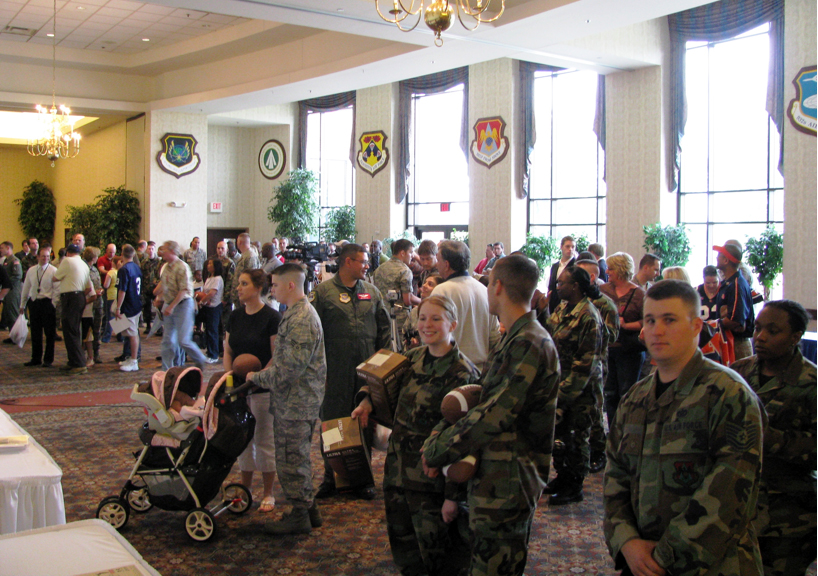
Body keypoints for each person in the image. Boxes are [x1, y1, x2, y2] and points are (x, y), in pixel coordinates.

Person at [604, 280, 765, 576]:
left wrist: (662, 557)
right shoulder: (635, 399)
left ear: (695, 326)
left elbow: (729, 494)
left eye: (669, 320)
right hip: (640, 560)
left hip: (710, 564)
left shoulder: (728, 395)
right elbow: (615, 477)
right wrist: (626, 541)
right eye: (650, 320)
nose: (657, 330)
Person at [422, 255, 560, 576]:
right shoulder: (515, 337)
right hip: (497, 477)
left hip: (510, 483)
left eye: (488, 283)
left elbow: (494, 413)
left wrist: (438, 448)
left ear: (497, 286)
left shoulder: (529, 343)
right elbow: (483, 398)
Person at [352, 295, 478, 575]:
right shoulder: (410, 359)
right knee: (405, 555)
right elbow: (376, 385)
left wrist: (453, 497)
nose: (426, 325)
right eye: (422, 318)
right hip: (397, 476)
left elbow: (466, 443)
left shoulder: (465, 375)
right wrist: (365, 403)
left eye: (436, 318)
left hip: (433, 484)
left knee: (442, 559)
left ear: (452, 324)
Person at [732, 300, 817, 576]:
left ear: (795, 337)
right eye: (757, 328)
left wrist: (771, 439)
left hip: (788, 516)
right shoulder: (738, 373)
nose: (760, 337)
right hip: (738, 505)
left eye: (773, 330)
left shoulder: (810, 383)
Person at [246, 263, 326, 535]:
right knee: (296, 456)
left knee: (292, 458)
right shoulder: (294, 313)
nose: (273, 289)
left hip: (297, 401)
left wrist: (254, 378)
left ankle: (300, 514)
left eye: (276, 285)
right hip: (294, 399)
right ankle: (308, 508)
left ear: (291, 285)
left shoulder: (302, 318)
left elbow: (288, 370)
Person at [310, 243, 391, 500]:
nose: (367, 265)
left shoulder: (372, 292)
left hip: (366, 373)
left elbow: (385, 333)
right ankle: (330, 477)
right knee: (333, 424)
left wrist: (383, 368)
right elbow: (314, 335)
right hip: (333, 372)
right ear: (347, 262)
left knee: (364, 424)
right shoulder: (323, 293)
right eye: (362, 261)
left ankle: (362, 479)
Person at [543, 266, 604, 505]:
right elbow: (551, 337)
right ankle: (562, 476)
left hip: (580, 389)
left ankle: (575, 484)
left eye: (562, 284)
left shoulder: (589, 316)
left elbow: (585, 365)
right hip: (561, 384)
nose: (557, 287)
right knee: (560, 436)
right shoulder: (561, 308)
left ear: (575, 286)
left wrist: (564, 396)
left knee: (577, 437)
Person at [225, 269, 282, 513]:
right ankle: (244, 487)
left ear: (258, 288)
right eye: (239, 283)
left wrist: (257, 378)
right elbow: (228, 350)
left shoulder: (271, 317)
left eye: (244, 283)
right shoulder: (235, 316)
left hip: (262, 388)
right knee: (241, 439)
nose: (238, 288)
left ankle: (268, 492)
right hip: (238, 388)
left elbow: (275, 354)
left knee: (264, 439)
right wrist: (230, 379)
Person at [575, 256, 619, 473]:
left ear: (591, 277)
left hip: (596, 363)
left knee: (595, 407)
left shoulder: (604, 304)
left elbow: (613, 334)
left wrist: (592, 327)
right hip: (573, 362)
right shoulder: (572, 301)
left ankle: (598, 451)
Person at [431, 240, 501, 372]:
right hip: (479, 371)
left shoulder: (441, 291)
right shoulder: (484, 290)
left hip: (450, 371)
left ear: (446, 265)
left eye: (438, 260)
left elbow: (434, 335)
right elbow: (494, 338)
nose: (436, 264)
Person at [600, 252, 646, 427]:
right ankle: (612, 429)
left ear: (620, 270)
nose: (608, 271)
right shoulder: (603, 290)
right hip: (609, 349)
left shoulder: (640, 294)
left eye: (610, 268)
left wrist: (626, 325)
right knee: (610, 393)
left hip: (630, 351)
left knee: (627, 393)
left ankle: (627, 429)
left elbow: (646, 321)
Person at [159, 241, 209, 371]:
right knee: (167, 341)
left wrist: (171, 306)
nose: (162, 252)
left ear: (172, 252)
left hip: (183, 305)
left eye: (164, 250)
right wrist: (158, 297)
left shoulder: (182, 267)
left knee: (183, 340)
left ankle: (200, 359)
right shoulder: (166, 267)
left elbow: (184, 290)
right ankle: (167, 370)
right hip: (170, 304)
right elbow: (164, 284)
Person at [54, 243, 94, 375]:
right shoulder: (83, 263)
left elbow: (55, 277)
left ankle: (79, 363)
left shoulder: (67, 261)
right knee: (74, 329)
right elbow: (88, 287)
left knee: (70, 330)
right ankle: (73, 360)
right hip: (80, 297)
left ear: (68, 253)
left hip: (71, 298)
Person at [19, 244, 58, 368]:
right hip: (34, 302)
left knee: (49, 333)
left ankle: (48, 359)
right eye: (43, 256)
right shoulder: (31, 270)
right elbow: (26, 288)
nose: (45, 258)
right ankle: (36, 358)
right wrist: (22, 304)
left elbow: (57, 289)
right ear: (38, 257)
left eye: (47, 256)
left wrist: (54, 304)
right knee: (35, 332)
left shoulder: (53, 270)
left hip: (47, 303)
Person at [713, 243, 754, 360]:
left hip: (737, 345)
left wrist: (711, 326)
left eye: (719, 255)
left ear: (726, 260)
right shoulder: (729, 283)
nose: (716, 257)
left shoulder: (736, 284)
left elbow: (735, 320)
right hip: (729, 341)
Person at [372, 239, 421, 331]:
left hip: (381, 317)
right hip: (399, 320)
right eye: (410, 253)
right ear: (402, 253)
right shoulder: (404, 271)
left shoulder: (379, 269)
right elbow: (407, 300)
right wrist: (424, 301)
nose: (412, 256)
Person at [115, 245, 143, 372]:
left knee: (132, 333)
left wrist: (118, 307)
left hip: (129, 304)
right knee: (127, 330)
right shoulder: (137, 267)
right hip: (136, 303)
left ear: (122, 254)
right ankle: (130, 356)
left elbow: (122, 290)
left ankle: (134, 360)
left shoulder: (124, 269)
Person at [81, 247, 104, 366]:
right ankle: (86, 355)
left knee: (97, 330)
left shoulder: (94, 269)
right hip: (88, 304)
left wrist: (99, 290)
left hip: (97, 303)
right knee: (87, 331)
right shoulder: (83, 269)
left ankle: (96, 353)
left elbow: (97, 284)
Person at [199, 258, 224, 363]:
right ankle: (209, 351)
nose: (208, 265)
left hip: (214, 307)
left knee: (213, 331)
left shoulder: (217, 278)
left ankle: (214, 355)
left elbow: (212, 293)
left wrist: (202, 301)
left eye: (210, 263)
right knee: (208, 330)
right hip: (207, 307)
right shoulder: (209, 278)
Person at [230, 233, 260, 310]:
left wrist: (246, 297)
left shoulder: (250, 256)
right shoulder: (244, 255)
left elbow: (251, 278)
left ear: (239, 242)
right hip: (239, 295)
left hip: (245, 297)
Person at [546, 235, 576, 314]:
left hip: (567, 304)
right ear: (561, 247)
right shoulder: (555, 266)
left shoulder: (576, 266)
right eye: (567, 246)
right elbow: (551, 285)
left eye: (573, 247)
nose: (570, 249)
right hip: (553, 303)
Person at [0, 241, 22, 332]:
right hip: (7, 291)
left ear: (8, 248)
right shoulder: (6, 260)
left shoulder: (14, 260)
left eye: (2, 248)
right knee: (8, 313)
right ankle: (11, 334)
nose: (0, 250)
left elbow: (17, 275)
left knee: (13, 313)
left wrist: (6, 282)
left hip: (13, 291)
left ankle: (16, 335)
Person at [140, 241, 161, 335]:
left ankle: (159, 327)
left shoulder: (159, 262)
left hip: (156, 288)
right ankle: (148, 326)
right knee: (147, 308)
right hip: (147, 288)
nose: (151, 250)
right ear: (146, 250)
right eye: (149, 249)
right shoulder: (144, 262)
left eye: (152, 248)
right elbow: (142, 275)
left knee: (158, 308)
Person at [98, 243, 116, 343]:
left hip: (111, 294)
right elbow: (101, 270)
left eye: (114, 252)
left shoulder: (111, 273)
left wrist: (109, 273)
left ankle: (107, 336)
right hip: (116, 293)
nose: (112, 254)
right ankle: (121, 336)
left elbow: (105, 285)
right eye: (110, 252)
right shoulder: (116, 271)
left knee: (110, 315)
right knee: (117, 314)